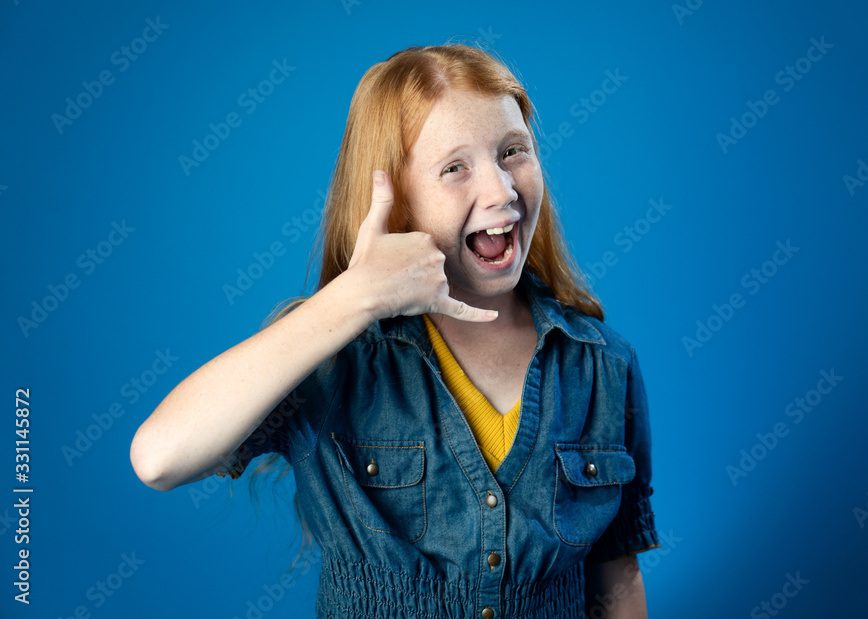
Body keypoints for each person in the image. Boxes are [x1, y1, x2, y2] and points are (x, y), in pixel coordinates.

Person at [130, 43, 660, 618]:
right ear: (396, 201)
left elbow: (617, 577)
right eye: (454, 168)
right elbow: (160, 458)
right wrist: (353, 298)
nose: (502, 191)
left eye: (513, 152)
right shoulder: (334, 358)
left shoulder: (602, 365)